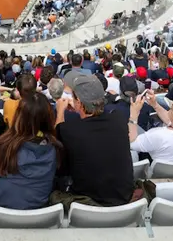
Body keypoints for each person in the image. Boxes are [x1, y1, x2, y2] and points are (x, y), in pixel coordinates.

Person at [51, 72, 133, 207]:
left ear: (79, 102)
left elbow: (55, 147)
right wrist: (78, 109)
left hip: (88, 204)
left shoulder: (69, 130)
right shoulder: (119, 119)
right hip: (124, 200)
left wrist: (60, 111)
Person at [0, 93, 61, 210]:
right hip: (39, 211)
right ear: (48, 117)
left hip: (0, 205)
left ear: (19, 115)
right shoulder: (56, 149)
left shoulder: (3, 144)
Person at [128, 90, 173, 163]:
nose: (169, 109)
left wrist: (133, 115)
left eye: (172, 109)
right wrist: (155, 105)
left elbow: (132, 144)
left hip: (154, 169)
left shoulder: (158, 135)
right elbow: (170, 121)